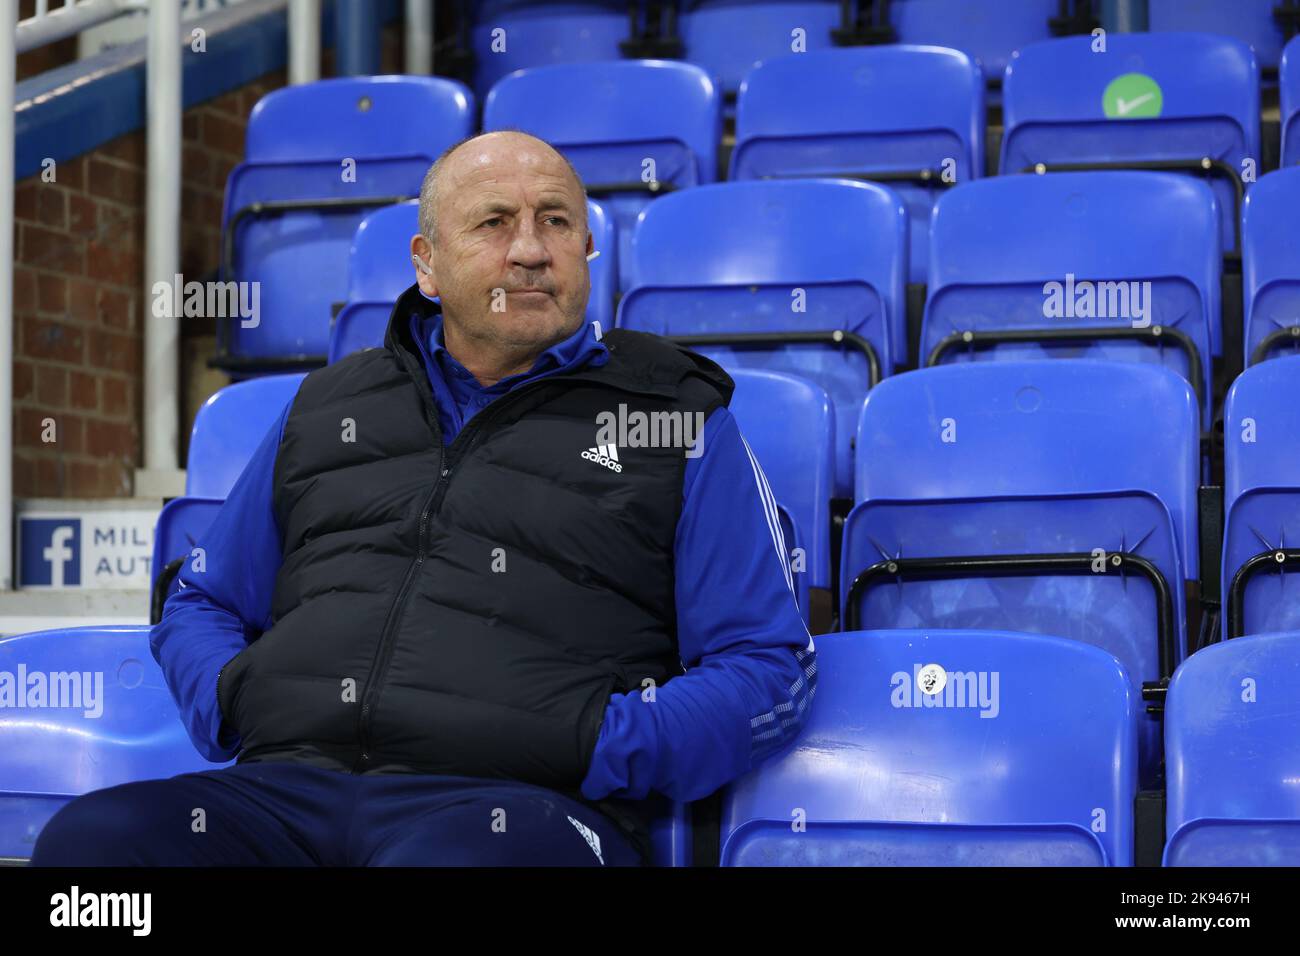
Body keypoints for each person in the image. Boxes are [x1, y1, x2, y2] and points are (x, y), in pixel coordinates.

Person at [31, 131, 816, 866]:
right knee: (94, 848)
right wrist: (235, 698)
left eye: (556, 222)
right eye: (494, 223)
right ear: (427, 264)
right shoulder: (329, 406)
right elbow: (200, 600)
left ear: (587, 248)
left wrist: (598, 743)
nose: (531, 251)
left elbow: (766, 667)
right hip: (287, 786)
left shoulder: (670, 414)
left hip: (520, 806)